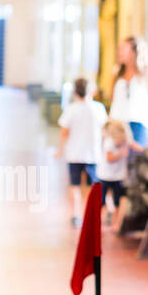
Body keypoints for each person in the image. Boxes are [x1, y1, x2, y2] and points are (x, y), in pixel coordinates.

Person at [55, 77, 107, 228]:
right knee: (93, 187)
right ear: (91, 91)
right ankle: (92, 214)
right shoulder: (99, 108)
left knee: (75, 185)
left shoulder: (71, 109)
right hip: (93, 154)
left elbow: (64, 131)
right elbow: (104, 131)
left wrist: (60, 150)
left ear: (75, 92)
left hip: (74, 154)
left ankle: (76, 215)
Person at [110, 37, 148, 149]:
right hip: (118, 123)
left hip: (139, 124)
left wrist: (147, 118)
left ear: (134, 52)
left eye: (123, 49)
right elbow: (113, 97)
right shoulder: (117, 72)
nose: (119, 52)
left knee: (137, 160)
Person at [97, 120, 139, 227]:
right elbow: (109, 158)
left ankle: (116, 223)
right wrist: (120, 153)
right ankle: (99, 220)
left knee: (118, 201)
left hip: (118, 176)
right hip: (105, 176)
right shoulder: (109, 142)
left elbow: (135, 146)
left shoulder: (125, 140)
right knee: (101, 201)